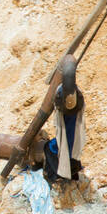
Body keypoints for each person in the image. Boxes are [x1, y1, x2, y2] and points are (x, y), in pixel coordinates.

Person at [41, 54, 85, 183]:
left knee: (63, 144)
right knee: (68, 143)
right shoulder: (72, 95)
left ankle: (60, 171)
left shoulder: (72, 96)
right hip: (68, 131)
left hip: (67, 133)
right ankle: (66, 170)